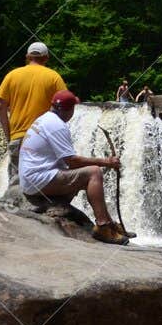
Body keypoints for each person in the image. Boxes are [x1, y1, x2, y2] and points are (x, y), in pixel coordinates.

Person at [18, 90, 128, 245]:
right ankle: (103, 227)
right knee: (94, 172)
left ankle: (109, 223)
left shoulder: (45, 119)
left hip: (32, 178)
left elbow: (67, 161)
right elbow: (72, 162)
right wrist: (106, 162)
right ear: (68, 110)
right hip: (37, 181)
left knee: (85, 173)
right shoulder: (57, 126)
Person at [0, 41, 66, 188]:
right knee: (45, 179)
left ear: (27, 57)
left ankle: (13, 209)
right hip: (43, 138)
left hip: (18, 136)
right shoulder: (54, 77)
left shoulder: (12, 75)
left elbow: (0, 106)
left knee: (16, 181)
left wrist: (9, 135)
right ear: (46, 58)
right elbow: (64, 105)